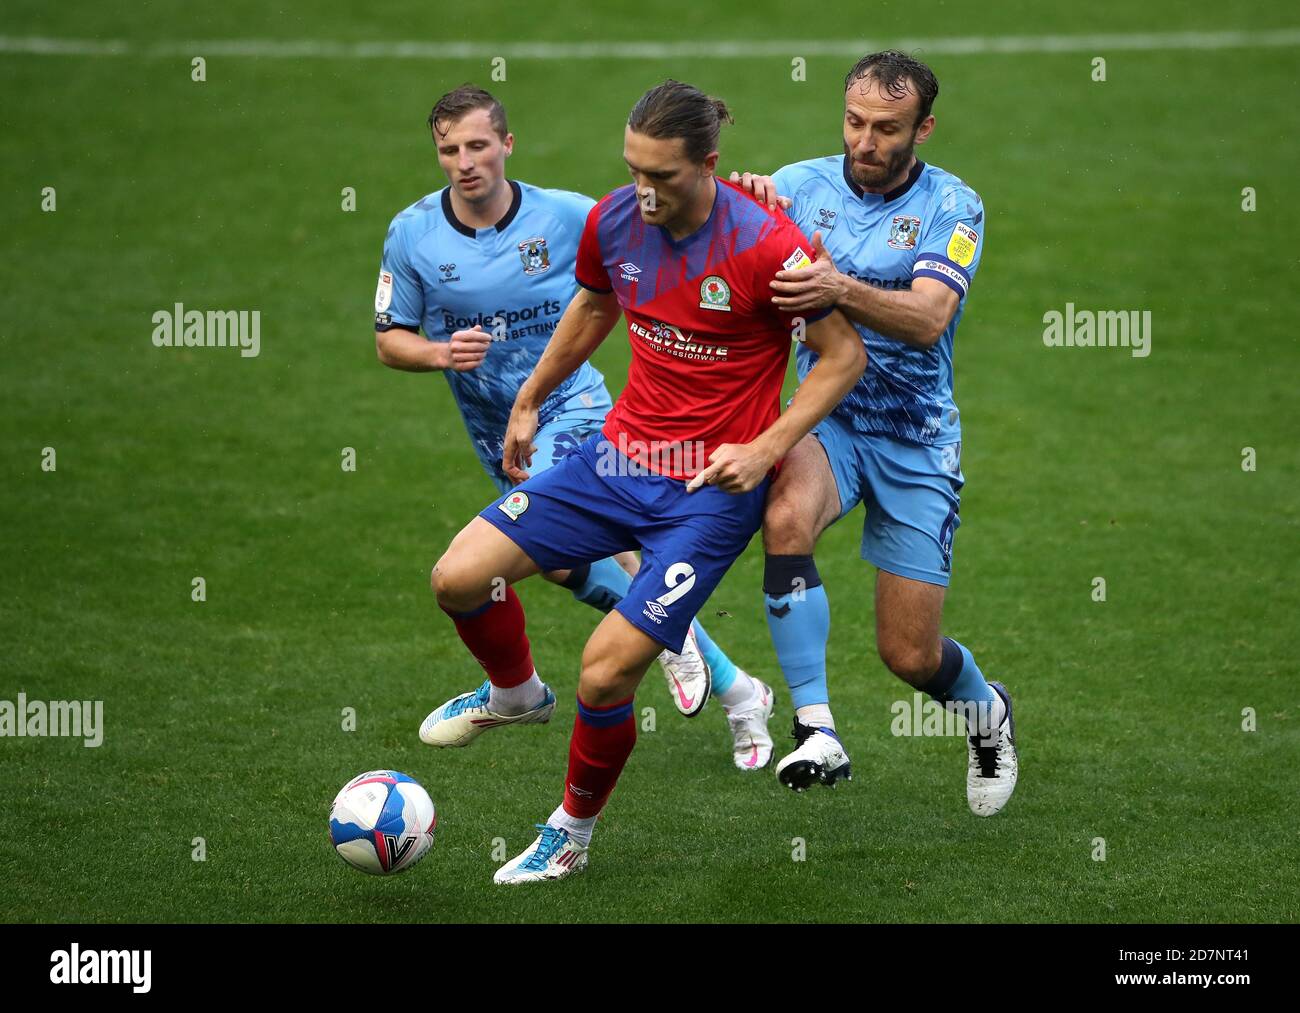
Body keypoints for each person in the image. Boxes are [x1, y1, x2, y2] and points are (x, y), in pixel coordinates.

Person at [424, 80, 867, 883]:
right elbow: (594, 309)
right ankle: (517, 693)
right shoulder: (613, 219)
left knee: (605, 667)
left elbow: (843, 357)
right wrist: (529, 398)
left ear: (709, 165)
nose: (644, 191)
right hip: (615, 461)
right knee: (456, 577)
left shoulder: (767, 243)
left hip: (709, 496)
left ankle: (570, 834)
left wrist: (767, 447)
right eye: (633, 169)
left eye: (661, 175)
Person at [375, 84, 770, 765]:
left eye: (477, 145)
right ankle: (735, 689)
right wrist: (440, 353)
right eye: (449, 150)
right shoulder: (412, 233)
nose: (465, 161)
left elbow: (670, 216)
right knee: (556, 567)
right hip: (496, 427)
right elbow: (388, 339)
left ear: (506, 144)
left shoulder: (566, 215)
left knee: (559, 555)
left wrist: (739, 191)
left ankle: (642, 652)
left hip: (575, 409)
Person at [732, 51, 1017, 815]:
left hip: (917, 441)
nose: (865, 140)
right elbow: (719, 234)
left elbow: (927, 319)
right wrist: (743, 200)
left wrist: (838, 288)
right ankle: (816, 725)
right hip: (833, 420)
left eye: (887, 128)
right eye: (855, 122)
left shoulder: (955, 205)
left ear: (922, 127)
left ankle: (987, 712)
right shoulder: (797, 187)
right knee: (785, 514)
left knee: (909, 654)